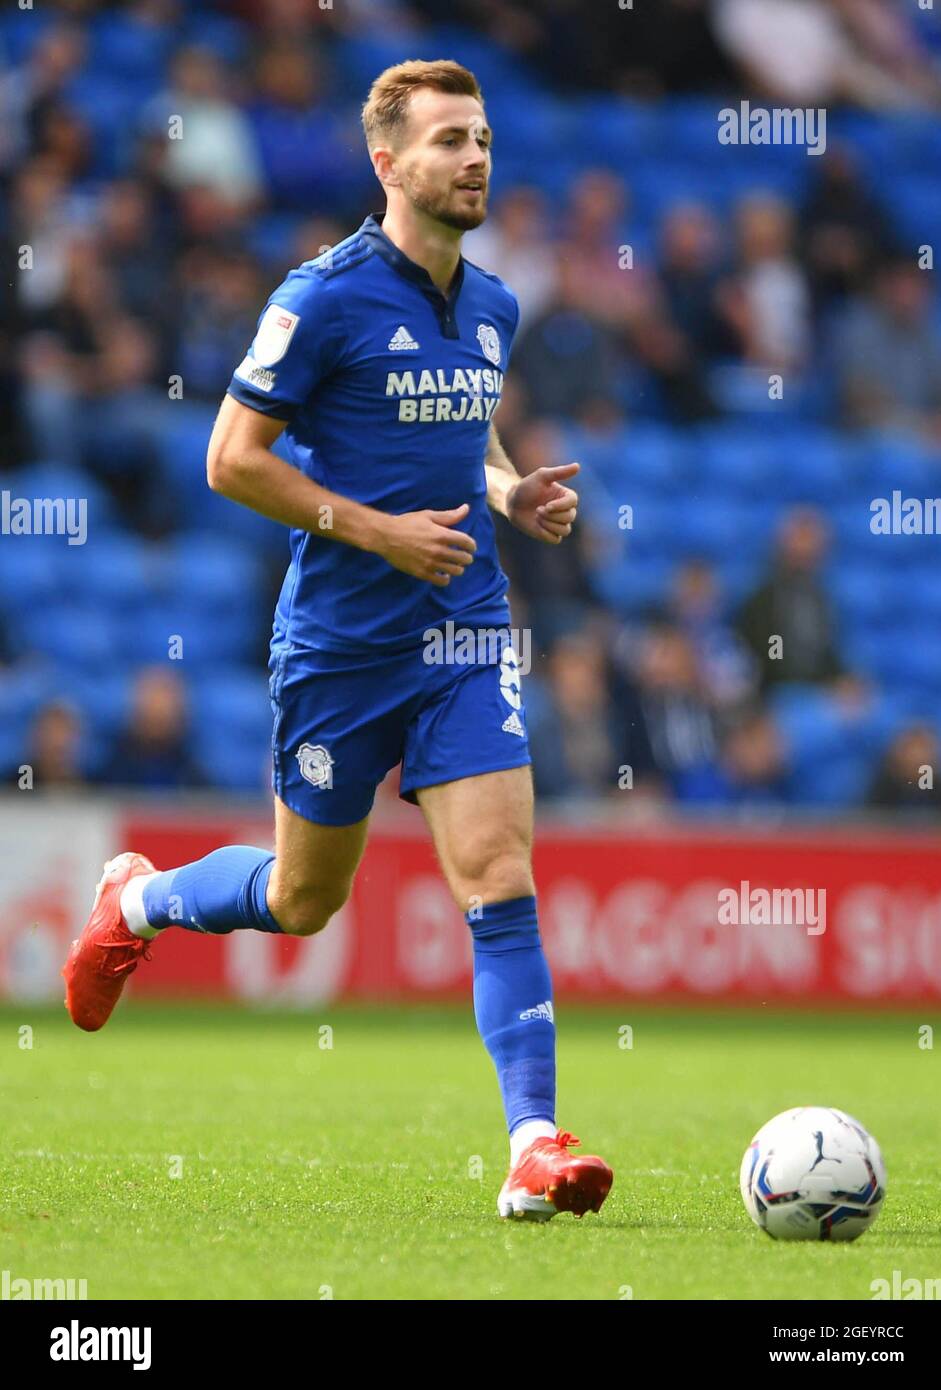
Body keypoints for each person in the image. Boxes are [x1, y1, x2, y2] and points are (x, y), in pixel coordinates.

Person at [61, 59, 612, 1224]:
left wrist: (508, 496)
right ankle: (142, 902)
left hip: (460, 630)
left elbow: (471, 436)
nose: (476, 160)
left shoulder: (499, 307)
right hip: (340, 646)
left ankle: (533, 1144)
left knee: (500, 876)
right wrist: (377, 532)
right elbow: (230, 459)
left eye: (484, 140)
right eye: (452, 140)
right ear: (389, 163)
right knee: (307, 899)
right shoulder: (320, 298)